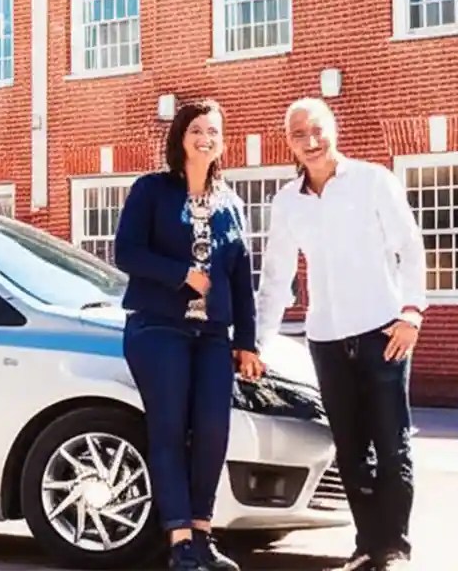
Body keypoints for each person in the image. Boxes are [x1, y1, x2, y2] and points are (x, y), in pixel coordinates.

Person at [254, 97, 426, 571]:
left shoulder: (373, 182)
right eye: (298, 135)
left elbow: (410, 248)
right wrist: (259, 341)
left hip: (382, 332)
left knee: (391, 445)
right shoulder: (287, 202)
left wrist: (412, 312)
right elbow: (276, 274)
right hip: (326, 338)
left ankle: (394, 547)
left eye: (317, 130)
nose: (310, 142)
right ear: (288, 142)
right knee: (350, 450)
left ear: (334, 129)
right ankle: (367, 544)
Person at [114, 99, 264, 571]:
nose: (206, 137)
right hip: (158, 327)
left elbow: (243, 277)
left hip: (214, 334)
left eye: (214, 131)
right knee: (170, 428)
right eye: (197, 129)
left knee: (214, 432)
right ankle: (178, 540)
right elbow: (127, 253)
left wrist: (249, 342)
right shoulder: (151, 190)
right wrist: (183, 274)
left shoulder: (231, 203)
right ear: (180, 137)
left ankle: (202, 534)